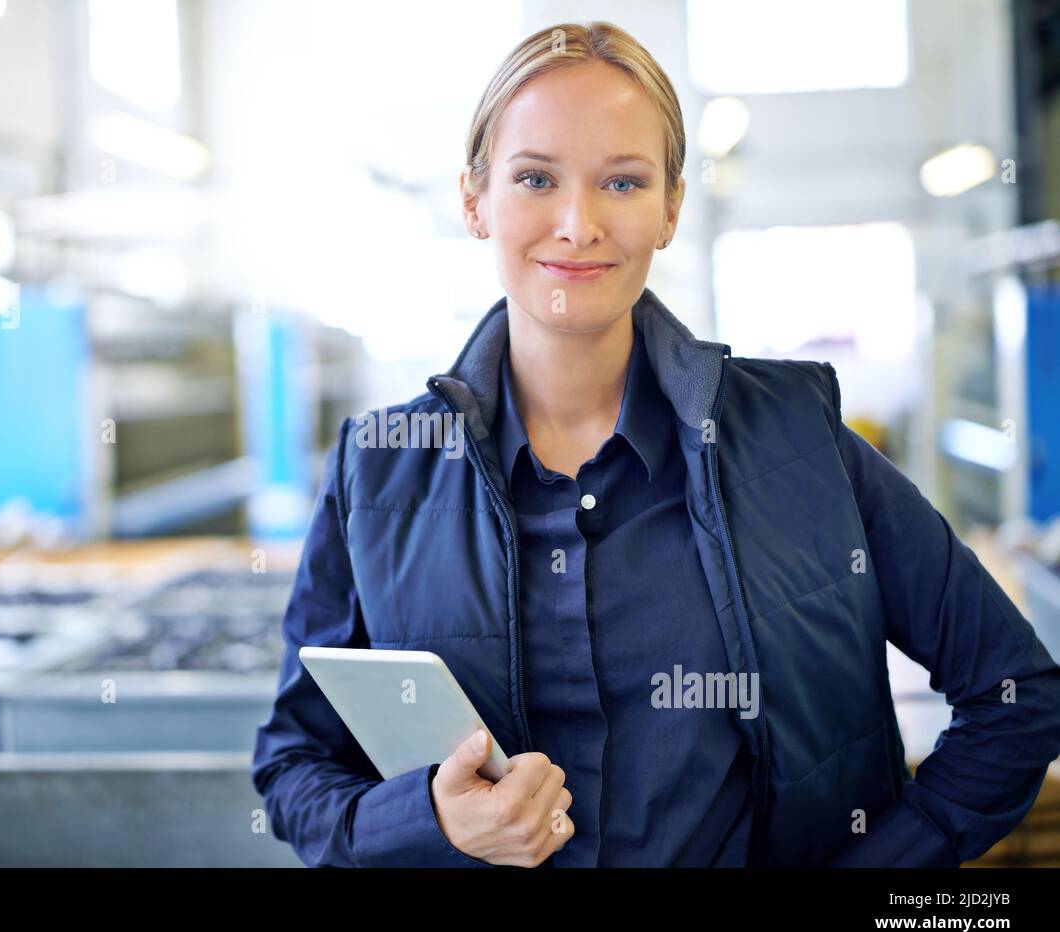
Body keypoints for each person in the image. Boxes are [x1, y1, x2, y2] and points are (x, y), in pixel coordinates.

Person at [251, 20, 1060, 867]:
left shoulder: (795, 437)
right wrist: (433, 820)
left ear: (671, 207)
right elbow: (293, 767)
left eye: (623, 182)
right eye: (535, 178)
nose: (578, 224)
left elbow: (1015, 696)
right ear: (474, 200)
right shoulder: (379, 471)